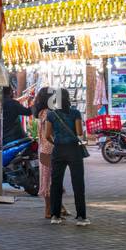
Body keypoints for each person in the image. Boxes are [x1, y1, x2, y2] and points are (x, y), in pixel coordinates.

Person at [41, 88, 89, 226]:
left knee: (56, 183)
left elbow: (47, 135)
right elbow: (79, 132)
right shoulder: (75, 113)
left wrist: (56, 142)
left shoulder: (51, 114)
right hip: (74, 150)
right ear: (68, 98)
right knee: (78, 183)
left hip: (58, 150)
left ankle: (55, 216)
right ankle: (81, 217)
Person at [32, 87, 65, 220]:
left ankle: (59, 207)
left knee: (51, 179)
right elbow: (49, 134)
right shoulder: (48, 113)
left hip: (44, 149)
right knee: (49, 181)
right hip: (49, 149)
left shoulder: (42, 112)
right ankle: (48, 210)